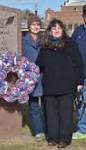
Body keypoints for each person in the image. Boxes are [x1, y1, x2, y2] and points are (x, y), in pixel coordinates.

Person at [36, 18, 84, 148]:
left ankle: (64, 139)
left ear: (62, 30)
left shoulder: (70, 44)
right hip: (50, 86)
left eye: (59, 28)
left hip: (67, 86)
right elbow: (38, 65)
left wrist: (79, 82)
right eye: (54, 28)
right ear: (50, 31)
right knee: (50, 114)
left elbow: (79, 64)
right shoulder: (45, 46)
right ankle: (52, 138)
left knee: (65, 114)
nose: (56, 30)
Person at [22, 13, 44, 141]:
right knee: (34, 105)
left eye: (37, 24)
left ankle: (47, 129)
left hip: (45, 76)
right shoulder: (23, 41)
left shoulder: (45, 39)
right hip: (30, 77)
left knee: (47, 106)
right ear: (29, 26)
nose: (35, 27)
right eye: (33, 24)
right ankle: (38, 131)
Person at [72, 4, 86, 140]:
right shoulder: (78, 32)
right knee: (81, 103)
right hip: (82, 76)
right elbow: (70, 53)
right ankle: (83, 130)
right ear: (83, 17)